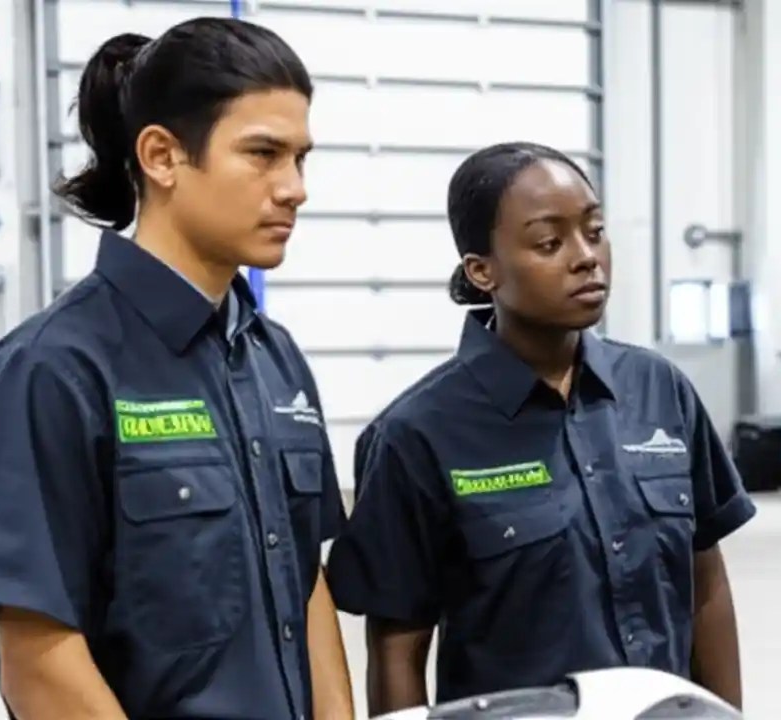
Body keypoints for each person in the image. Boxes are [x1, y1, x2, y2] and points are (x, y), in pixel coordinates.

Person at [0, 18, 353, 720]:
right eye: (263, 154)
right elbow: (38, 661)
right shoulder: (51, 372)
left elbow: (305, 582)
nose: (294, 189)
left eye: (300, 158)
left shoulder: (276, 357)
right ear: (163, 156)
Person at [324, 141, 756, 713]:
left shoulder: (660, 391)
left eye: (594, 231)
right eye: (550, 243)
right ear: (482, 271)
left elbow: (706, 587)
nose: (587, 257)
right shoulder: (417, 435)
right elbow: (397, 651)